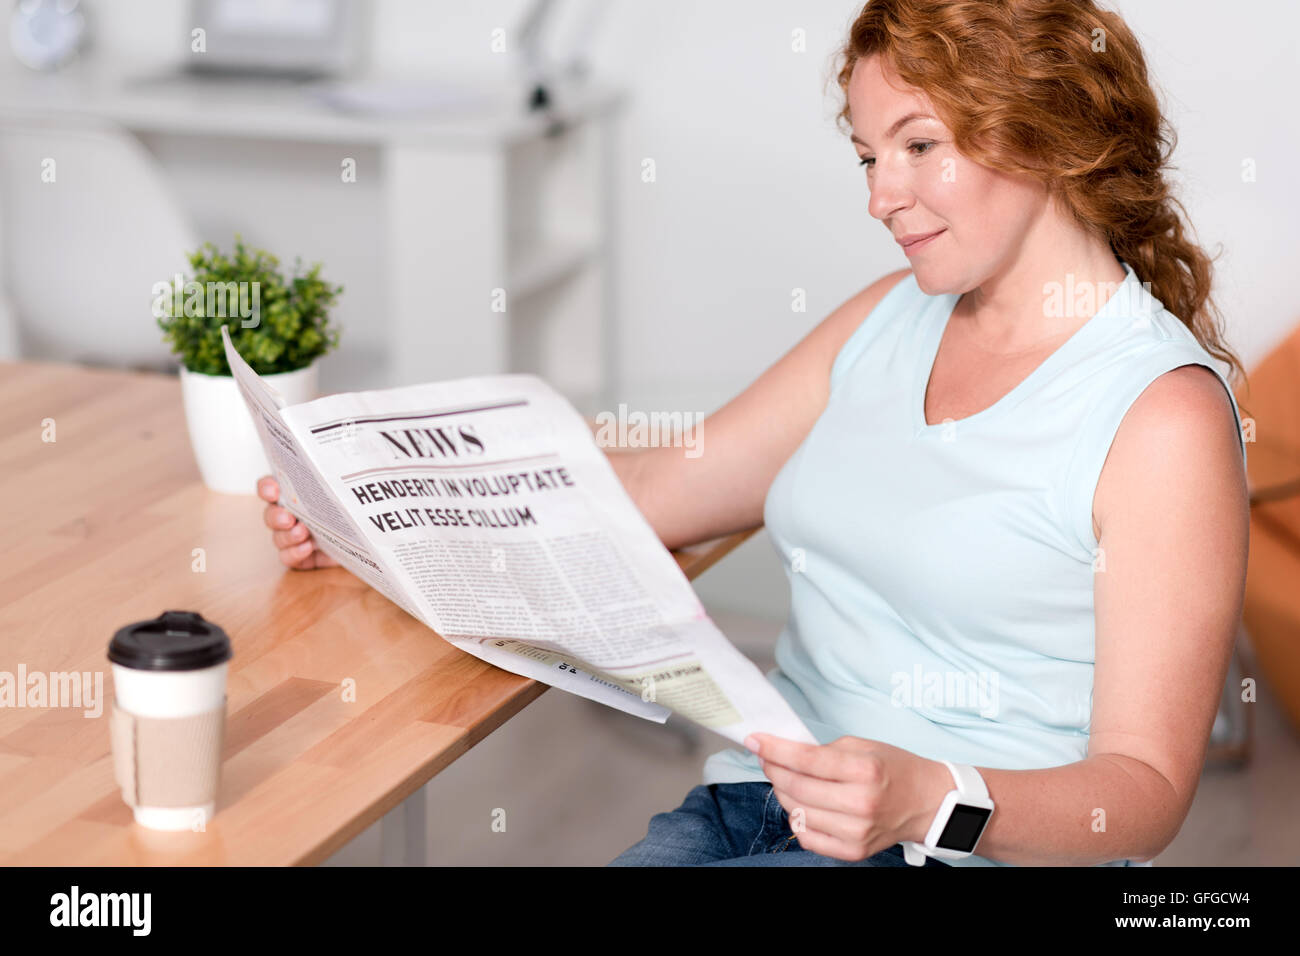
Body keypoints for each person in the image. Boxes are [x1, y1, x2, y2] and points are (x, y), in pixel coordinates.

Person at [259, 0, 1250, 867]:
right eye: (868, 157)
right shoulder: (886, 319)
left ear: (1040, 124)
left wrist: (930, 794)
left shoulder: (1159, 414)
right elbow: (654, 493)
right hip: (750, 806)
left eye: (917, 146)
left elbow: (1145, 792)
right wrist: (363, 507)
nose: (879, 196)